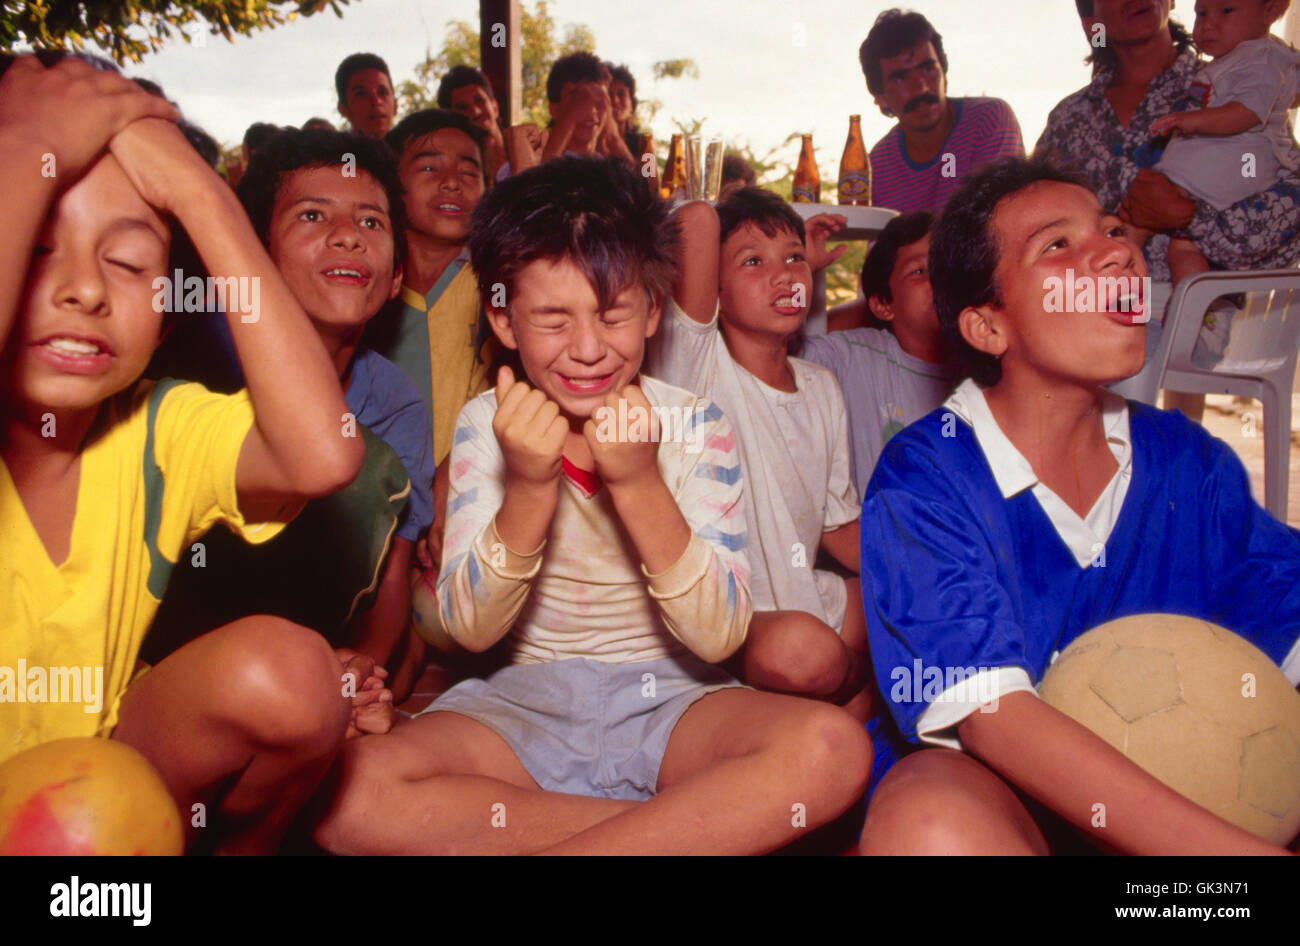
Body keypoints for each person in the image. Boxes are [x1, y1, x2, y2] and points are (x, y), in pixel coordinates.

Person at [311, 156, 871, 855]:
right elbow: (471, 630)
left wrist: (638, 483)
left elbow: (720, 636)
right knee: (348, 792)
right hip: (521, 704)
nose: (586, 350)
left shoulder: (696, 424)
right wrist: (530, 485)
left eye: (612, 316)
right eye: (552, 319)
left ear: (652, 311)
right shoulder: (489, 424)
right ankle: (680, 837)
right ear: (503, 317)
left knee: (831, 748)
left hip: (674, 700)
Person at [857, 157, 1300, 855]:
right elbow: (993, 719)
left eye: (1115, 230)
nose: (1120, 250)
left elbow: (1284, 613)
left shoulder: (1190, 462)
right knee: (929, 824)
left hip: (1176, 797)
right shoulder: (926, 477)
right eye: (1057, 245)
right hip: (1006, 803)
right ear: (987, 327)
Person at [0, 55, 386, 853]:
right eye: (36, 246)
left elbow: (323, 455)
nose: (85, 289)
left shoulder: (155, 428)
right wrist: (26, 143)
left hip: (93, 796)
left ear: (171, 315)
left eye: (131, 261)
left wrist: (200, 194)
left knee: (291, 673)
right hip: (68, 821)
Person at [144, 129, 435, 704]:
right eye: (311, 215)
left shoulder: (394, 401)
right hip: (160, 657)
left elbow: (391, 573)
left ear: (397, 276)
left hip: (305, 665)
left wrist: (359, 682)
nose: (348, 236)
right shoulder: (189, 361)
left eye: (372, 223)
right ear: (252, 255)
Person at [645, 188, 872, 718]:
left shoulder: (821, 386)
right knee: (806, 652)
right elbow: (698, 222)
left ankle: (833, 704)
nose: (785, 275)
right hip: (733, 619)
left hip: (806, 596)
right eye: (753, 262)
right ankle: (848, 695)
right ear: (714, 289)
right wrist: (786, 255)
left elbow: (837, 527)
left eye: (795, 259)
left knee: (903, 597)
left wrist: (918, 571)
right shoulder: (695, 366)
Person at [1035, 0, 1300, 421]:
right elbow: (1035, 230)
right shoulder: (1068, 120)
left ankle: (1163, 461)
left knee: (1141, 354)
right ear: (1091, 20)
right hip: (1087, 305)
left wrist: (1188, 218)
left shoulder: (1235, 80)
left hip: (1198, 309)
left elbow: (1286, 219)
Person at [1147, 1, 1299, 316]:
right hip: (1221, 161)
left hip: (1237, 162)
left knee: (1146, 216)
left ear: (1271, 11)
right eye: (1201, 14)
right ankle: (1192, 309)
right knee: (1182, 245)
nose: (1208, 25)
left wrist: (1192, 121)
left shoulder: (1262, 61)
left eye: (1226, 11)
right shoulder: (1249, 57)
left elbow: (1247, 113)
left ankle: (1191, 311)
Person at [366, 109, 496, 471]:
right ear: (391, 184)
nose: (452, 182)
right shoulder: (364, 286)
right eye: (429, 167)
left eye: (470, 172)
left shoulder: (497, 281)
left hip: (477, 492)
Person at [798, 212, 956, 497]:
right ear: (884, 305)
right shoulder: (854, 358)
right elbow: (771, 354)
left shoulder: (989, 363)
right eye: (919, 271)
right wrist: (800, 270)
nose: (940, 278)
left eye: (946, 265)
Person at [858, 8, 1024, 214]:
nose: (921, 87)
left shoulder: (988, 120)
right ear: (880, 96)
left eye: (928, 69)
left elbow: (995, 222)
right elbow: (882, 243)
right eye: (901, 77)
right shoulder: (879, 165)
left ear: (944, 72)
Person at [437, 64, 507, 181]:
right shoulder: (454, 177)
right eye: (463, 107)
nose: (475, 112)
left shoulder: (527, 153)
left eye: (479, 100)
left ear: (495, 107)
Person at [335, 52, 395, 139]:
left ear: (395, 104)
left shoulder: (413, 149)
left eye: (382, 92)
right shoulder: (338, 152)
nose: (376, 101)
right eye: (361, 94)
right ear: (343, 108)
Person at [607, 62, 641, 156]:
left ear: (632, 105)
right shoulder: (588, 141)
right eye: (609, 95)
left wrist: (616, 141)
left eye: (621, 94)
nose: (615, 100)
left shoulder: (644, 143)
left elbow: (650, 171)